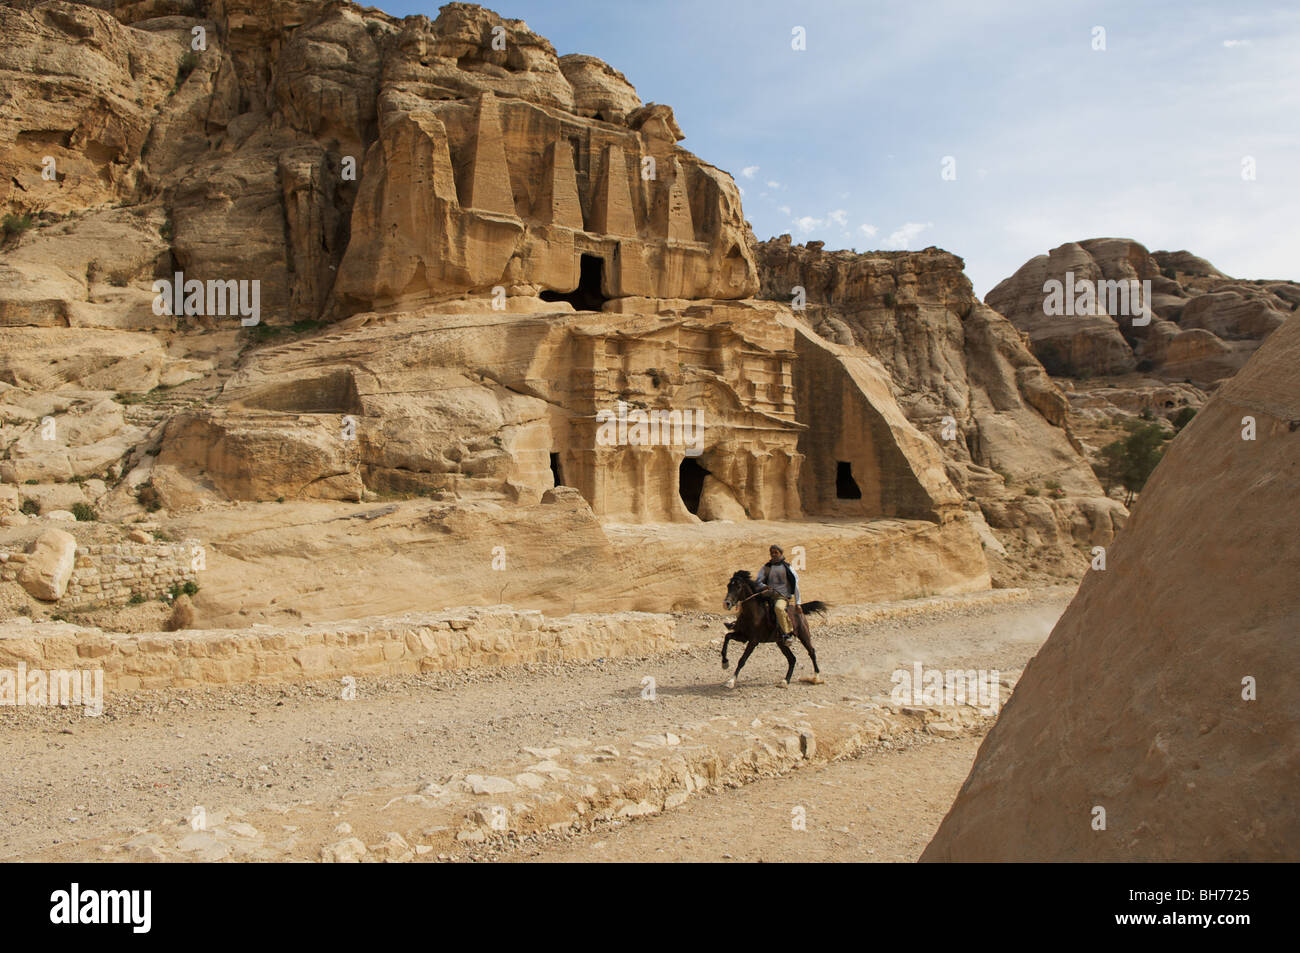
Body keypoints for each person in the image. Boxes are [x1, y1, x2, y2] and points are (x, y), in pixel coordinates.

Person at [755, 544, 800, 643]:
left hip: (782, 596)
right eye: (772, 553)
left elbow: (795, 584)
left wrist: (798, 603)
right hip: (768, 594)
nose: (774, 554)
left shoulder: (787, 568)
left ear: (781, 553)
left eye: (776, 552)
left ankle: (787, 633)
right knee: (750, 603)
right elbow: (758, 581)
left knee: (778, 608)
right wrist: (763, 586)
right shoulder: (767, 567)